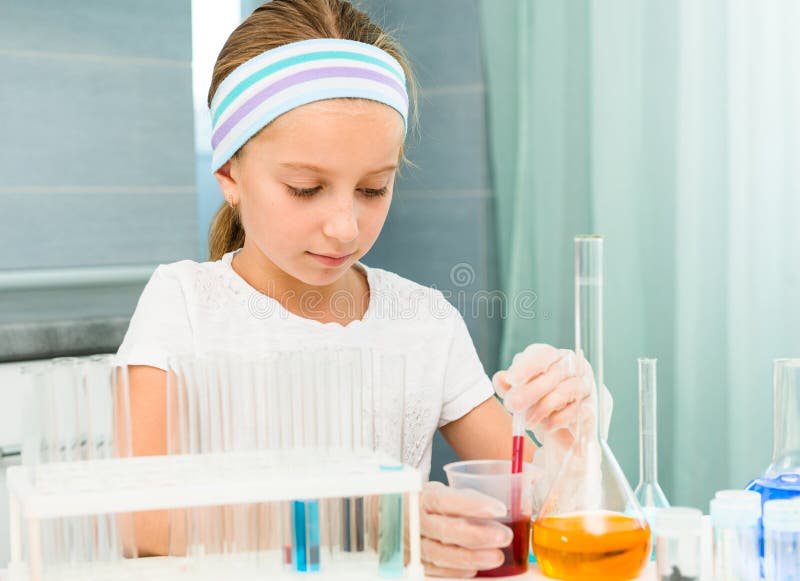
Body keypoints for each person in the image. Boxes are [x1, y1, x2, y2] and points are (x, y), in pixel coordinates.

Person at [115, 0, 606, 576]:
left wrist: (569, 439)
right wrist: (373, 518)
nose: (345, 227)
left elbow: (547, 514)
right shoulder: (184, 305)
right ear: (230, 176)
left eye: (374, 189)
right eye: (305, 188)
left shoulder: (423, 322)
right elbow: (139, 524)